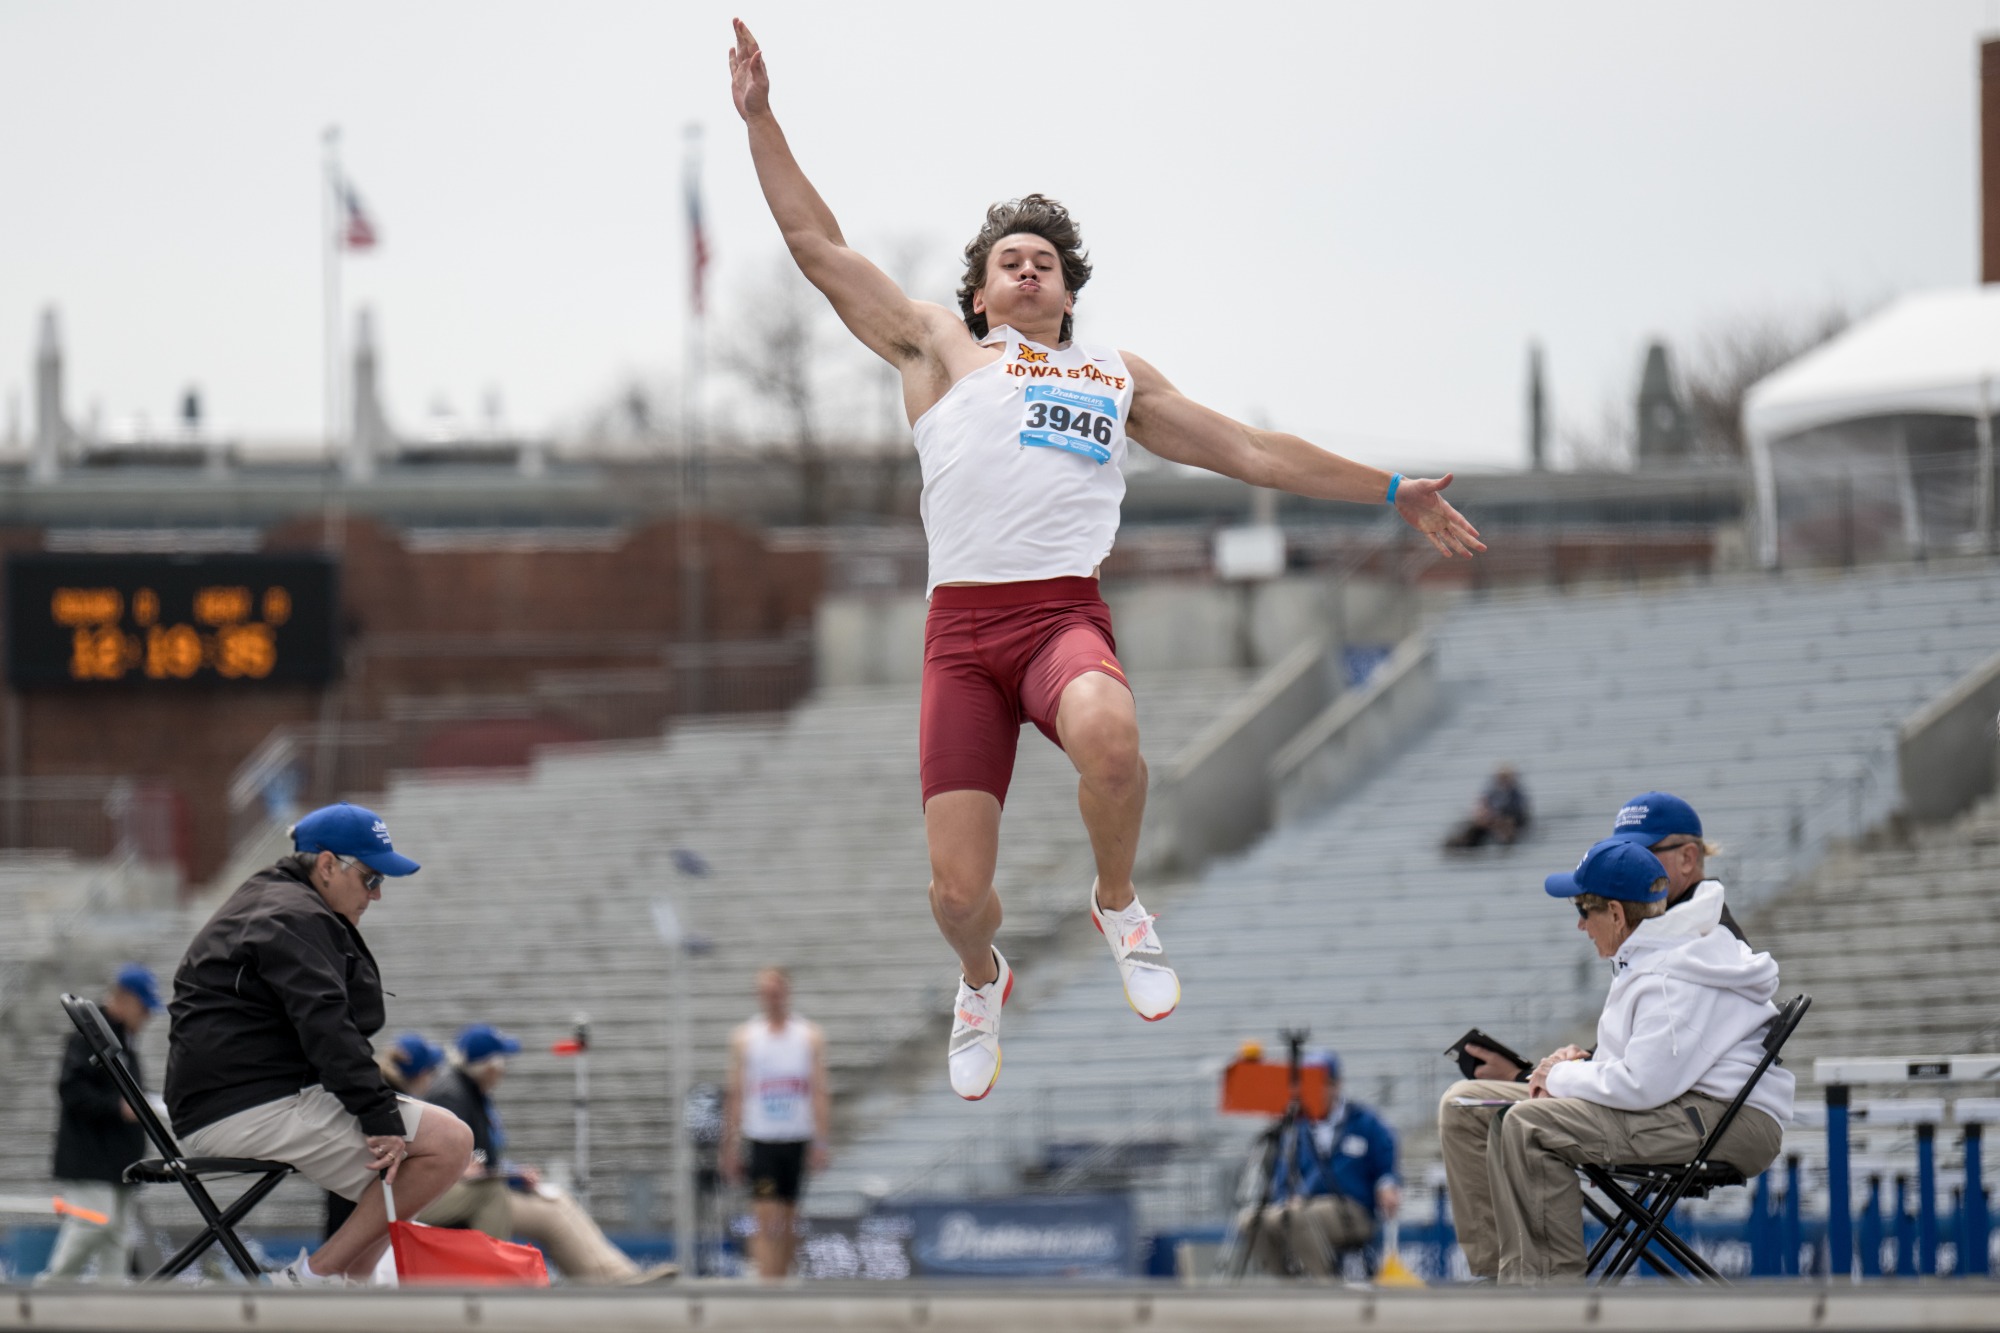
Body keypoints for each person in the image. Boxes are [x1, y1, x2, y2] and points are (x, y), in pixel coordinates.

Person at [727, 19, 1485, 1100]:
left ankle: (1118, 898)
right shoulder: (939, 350)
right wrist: (762, 121)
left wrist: (1385, 486)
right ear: (978, 295)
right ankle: (980, 977)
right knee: (954, 896)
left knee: (1114, 745)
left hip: (1054, 617)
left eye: (1043, 261)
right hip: (960, 640)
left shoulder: (1113, 375)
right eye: (1006, 262)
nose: (1026, 270)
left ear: (1068, 290)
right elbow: (818, 248)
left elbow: (1251, 450)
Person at [1437, 839, 1791, 1283]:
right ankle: (1501, 1279)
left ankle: (1549, 1298)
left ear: (1618, 915)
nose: (1581, 926)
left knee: (1528, 1126)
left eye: (1584, 911)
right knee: (1463, 1107)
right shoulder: (1654, 955)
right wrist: (1581, 1063)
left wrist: (1565, 1075)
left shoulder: (1668, 973)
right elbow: (1649, 1063)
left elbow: (1643, 1084)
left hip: (1724, 1119)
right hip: (1688, 1102)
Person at [164, 803, 473, 1286]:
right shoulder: (291, 914)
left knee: (398, 1177)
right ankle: (313, 1278)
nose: (377, 895)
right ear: (327, 865)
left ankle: (349, 1289)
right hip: (247, 1105)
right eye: (371, 878)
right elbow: (327, 1027)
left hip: (235, 1097)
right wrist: (379, 1118)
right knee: (447, 1145)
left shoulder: (276, 901)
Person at [1460, 790, 1746, 1082]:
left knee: (1471, 1103)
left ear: (1687, 858)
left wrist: (1526, 1078)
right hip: (1653, 1100)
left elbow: (1657, 1069)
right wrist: (1583, 1059)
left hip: (1671, 1110)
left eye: (1642, 851)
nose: (1628, 859)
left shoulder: (1707, 937)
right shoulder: (1670, 927)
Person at [421, 1024, 671, 1284]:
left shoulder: (468, 1093)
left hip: (477, 1188)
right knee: (552, 1216)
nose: (504, 1070)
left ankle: (620, 1274)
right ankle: (610, 1281)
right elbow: (467, 1162)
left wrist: (512, 1171)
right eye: (501, 1063)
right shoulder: (453, 1096)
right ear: (489, 1067)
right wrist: (509, 1174)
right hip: (468, 1194)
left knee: (559, 1200)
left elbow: (480, 1156)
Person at [36, 964, 160, 1283]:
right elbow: (71, 1091)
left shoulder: (122, 1040)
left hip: (117, 1160)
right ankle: (49, 1290)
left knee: (117, 1236)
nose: (147, 1016)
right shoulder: (89, 1037)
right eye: (144, 1006)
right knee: (94, 1223)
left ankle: (111, 1304)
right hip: (90, 1156)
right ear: (125, 998)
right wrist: (118, 1107)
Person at [1233, 1050, 1399, 1279]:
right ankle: (1287, 1289)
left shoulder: (1363, 1122)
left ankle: (1325, 1288)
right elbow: (1283, 1176)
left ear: (1336, 1085)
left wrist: (1387, 1183)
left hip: (1352, 1209)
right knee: (1252, 1221)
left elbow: (1385, 1160)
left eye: (1320, 1084)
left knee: (1297, 1217)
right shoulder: (1297, 1128)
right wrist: (1284, 1200)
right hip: (1302, 1205)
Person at [720, 966, 830, 1280]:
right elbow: (736, 1093)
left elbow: (819, 1091)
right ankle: (767, 1286)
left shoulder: (808, 1036)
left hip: (796, 1137)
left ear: (786, 993)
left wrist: (821, 1141)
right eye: (765, 993)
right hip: (762, 1138)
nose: (771, 998)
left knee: (790, 1218)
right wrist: (729, 1146)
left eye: (776, 992)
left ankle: (781, 1280)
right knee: (766, 1216)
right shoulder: (746, 1038)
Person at [324, 1034, 449, 1240]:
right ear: (422, 1074)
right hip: (367, 1214)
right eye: (432, 1072)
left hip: (346, 1210)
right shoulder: (399, 1107)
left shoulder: (376, 1094)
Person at [1442, 765, 1531, 850]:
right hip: (1492, 818)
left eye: (1506, 777)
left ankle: (1506, 843)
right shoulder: (1491, 790)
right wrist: (1485, 815)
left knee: (1507, 825)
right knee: (1476, 828)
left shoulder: (1517, 793)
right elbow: (1482, 804)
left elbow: (1520, 811)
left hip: (1510, 818)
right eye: (1501, 777)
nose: (1504, 780)